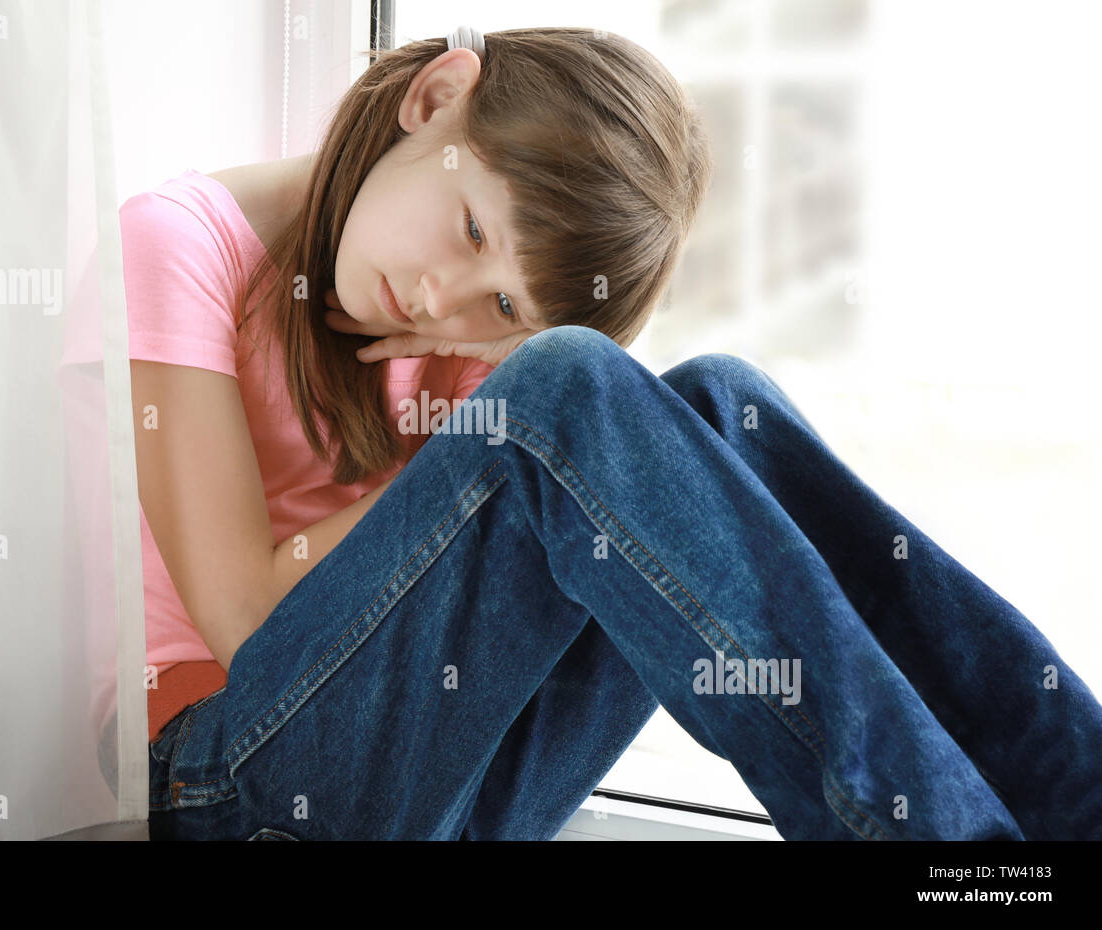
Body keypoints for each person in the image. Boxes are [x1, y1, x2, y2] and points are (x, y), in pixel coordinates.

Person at [131, 27, 1102, 840]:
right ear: (433, 99)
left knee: (722, 400)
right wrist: (499, 415)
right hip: (224, 779)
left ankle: (1077, 804)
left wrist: (507, 384)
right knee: (569, 384)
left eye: (503, 297)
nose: (445, 296)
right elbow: (244, 620)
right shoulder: (179, 243)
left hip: (460, 795)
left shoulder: (478, 334)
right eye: (471, 229)